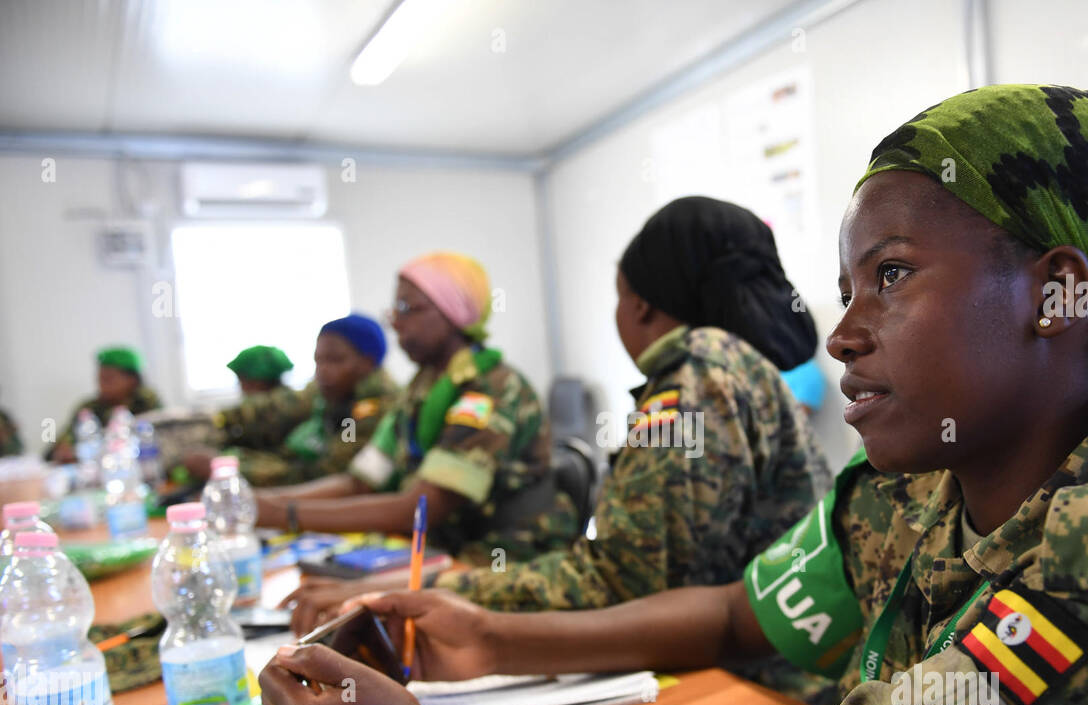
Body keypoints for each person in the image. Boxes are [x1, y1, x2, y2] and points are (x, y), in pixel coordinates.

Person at [259, 85, 1088, 705]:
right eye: (848, 285)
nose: (841, 334)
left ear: (1055, 297)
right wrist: (483, 633)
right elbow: (729, 615)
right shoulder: (923, 484)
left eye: (890, 275)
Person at [283, 199, 831, 660]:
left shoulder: (697, 381)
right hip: (748, 655)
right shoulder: (737, 369)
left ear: (638, 305)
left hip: (750, 679)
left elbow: (618, 580)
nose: (396, 321)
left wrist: (430, 588)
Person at [255, 253, 577, 566]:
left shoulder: (491, 390)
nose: (395, 321)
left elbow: (421, 508)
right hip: (442, 546)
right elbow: (363, 479)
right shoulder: (423, 386)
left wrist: (286, 515)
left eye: (407, 307)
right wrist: (266, 503)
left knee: (352, 603)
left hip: (504, 557)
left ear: (454, 312)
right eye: (394, 308)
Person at [187, 317, 399, 486]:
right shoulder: (332, 396)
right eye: (318, 360)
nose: (322, 371)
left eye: (335, 360)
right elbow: (292, 452)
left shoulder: (370, 409)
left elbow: (326, 475)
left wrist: (230, 469)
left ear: (367, 363)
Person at [47, 346, 162, 463]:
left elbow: (162, 439)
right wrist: (63, 449)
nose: (102, 385)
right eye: (100, 379)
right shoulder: (89, 409)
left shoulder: (146, 403)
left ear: (132, 380)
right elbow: (55, 447)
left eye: (109, 379)